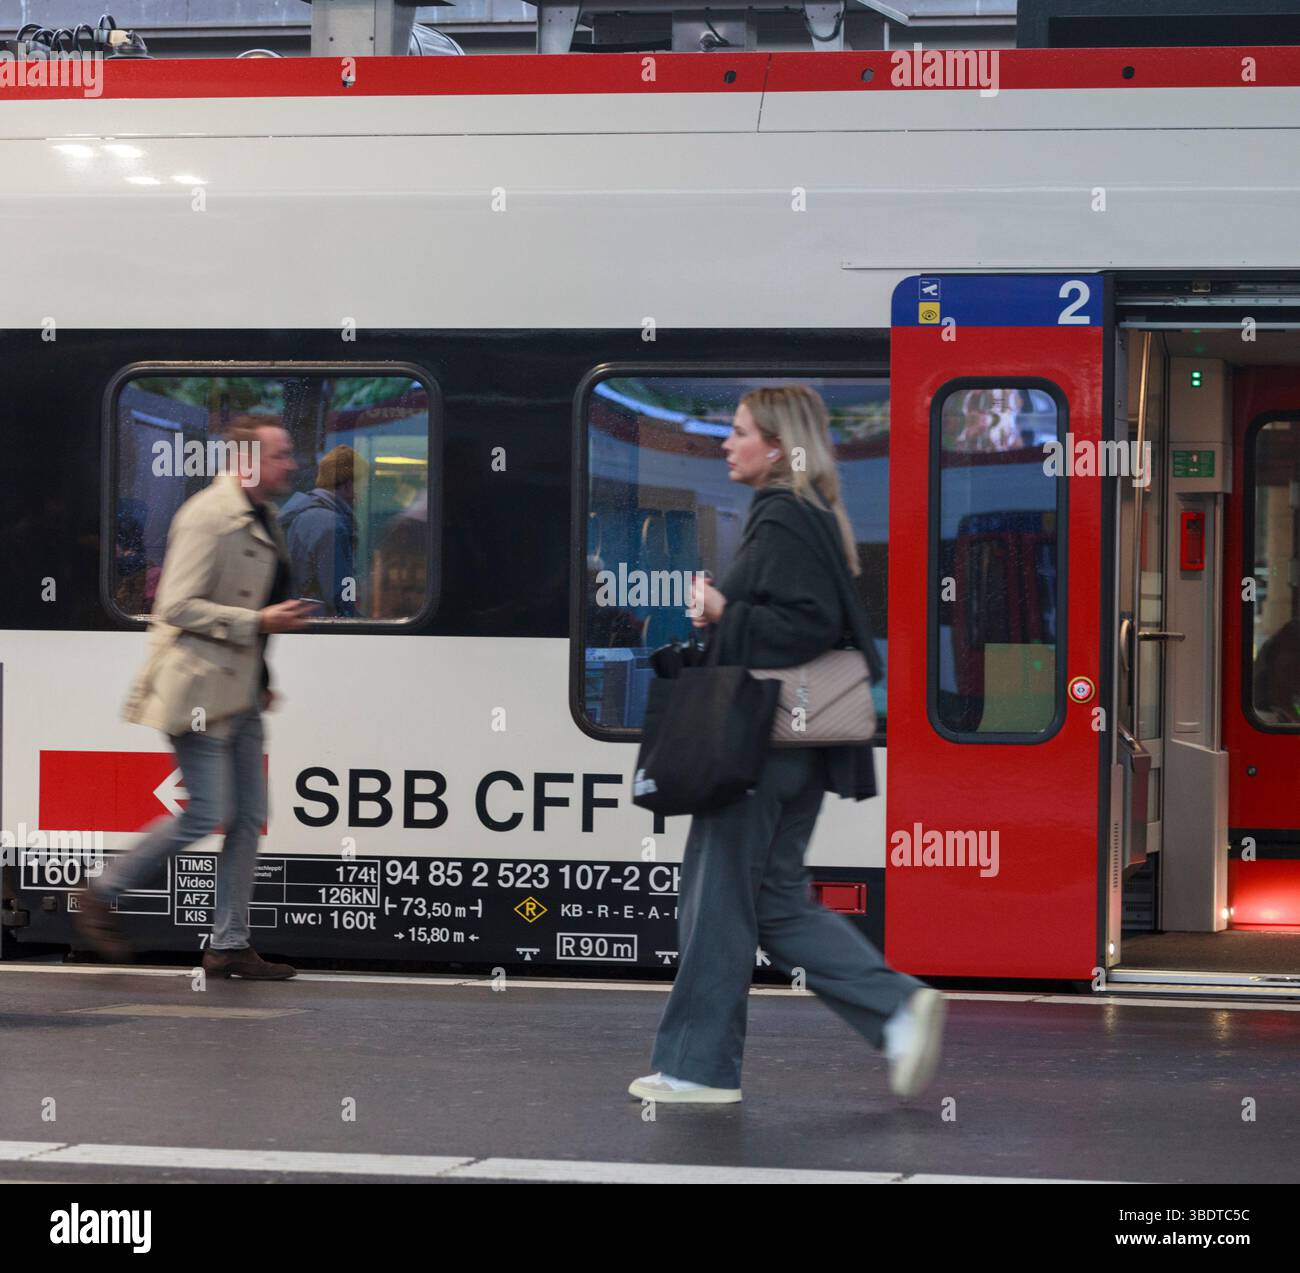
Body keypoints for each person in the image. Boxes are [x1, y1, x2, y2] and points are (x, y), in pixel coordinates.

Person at [629, 384, 946, 1104]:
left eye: (738, 430)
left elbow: (801, 625)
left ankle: (696, 1068)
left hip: (759, 747)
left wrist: (721, 610)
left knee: (715, 903)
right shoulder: (812, 513)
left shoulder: (779, 513)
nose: (724, 442)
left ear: (776, 444)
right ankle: (896, 1011)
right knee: (774, 901)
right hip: (798, 747)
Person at [75, 416, 314, 979]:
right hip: (199, 691)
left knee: (249, 813)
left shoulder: (266, 515)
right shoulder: (209, 516)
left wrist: (260, 672)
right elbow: (175, 606)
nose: (293, 464)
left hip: (240, 691)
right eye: (281, 455)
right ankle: (102, 892)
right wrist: (257, 620)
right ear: (249, 461)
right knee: (208, 811)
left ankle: (228, 944)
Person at [278, 445, 368, 617]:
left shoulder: (297, 515)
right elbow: (341, 598)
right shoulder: (333, 525)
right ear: (349, 485)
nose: (362, 494)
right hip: (320, 627)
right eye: (362, 485)